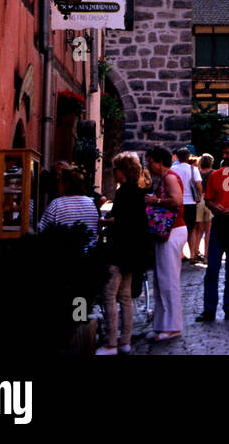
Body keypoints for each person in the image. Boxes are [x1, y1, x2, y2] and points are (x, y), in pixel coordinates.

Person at [96, 152, 151, 355]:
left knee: (109, 295)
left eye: (115, 169)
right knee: (125, 297)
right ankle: (125, 341)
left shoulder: (123, 193)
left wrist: (103, 222)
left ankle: (111, 342)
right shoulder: (138, 192)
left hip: (119, 249)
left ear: (123, 171)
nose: (113, 173)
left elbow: (120, 220)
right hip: (133, 250)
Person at [198, 140, 229, 323]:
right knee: (212, 267)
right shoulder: (215, 175)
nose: (225, 156)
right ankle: (209, 309)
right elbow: (209, 199)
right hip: (219, 222)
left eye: (228, 153)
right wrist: (215, 206)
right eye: (223, 153)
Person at [145, 146, 186, 341]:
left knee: (168, 279)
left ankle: (172, 326)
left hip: (173, 230)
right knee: (162, 279)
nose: (148, 165)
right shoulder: (165, 178)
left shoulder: (169, 177)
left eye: (151, 161)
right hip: (168, 231)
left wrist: (155, 201)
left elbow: (176, 201)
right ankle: (162, 324)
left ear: (160, 162)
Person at [38, 165, 100, 250]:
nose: (57, 185)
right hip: (89, 256)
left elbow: (43, 232)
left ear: (66, 184)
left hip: (65, 256)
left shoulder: (56, 204)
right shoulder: (91, 203)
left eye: (58, 181)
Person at [171, 148, 202, 261]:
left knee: (177, 228)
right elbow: (198, 184)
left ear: (177, 157)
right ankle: (193, 254)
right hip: (191, 202)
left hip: (177, 202)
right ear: (188, 157)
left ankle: (180, 253)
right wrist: (198, 196)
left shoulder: (173, 169)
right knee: (191, 229)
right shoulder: (193, 169)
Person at [196, 153, 215, 261]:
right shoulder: (213, 173)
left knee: (198, 229)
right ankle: (206, 255)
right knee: (208, 230)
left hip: (198, 200)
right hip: (209, 200)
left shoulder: (197, 173)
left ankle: (195, 252)